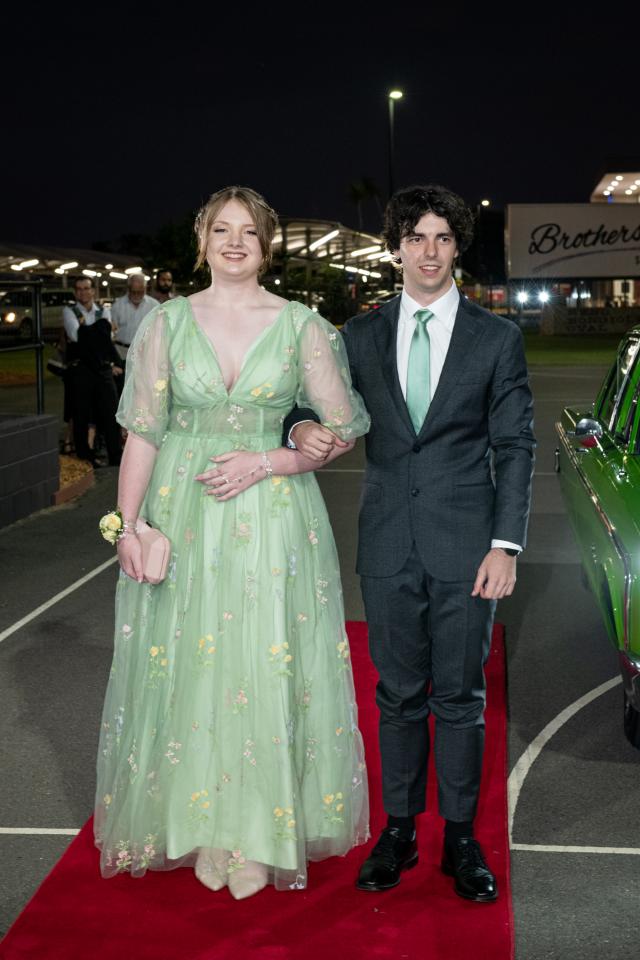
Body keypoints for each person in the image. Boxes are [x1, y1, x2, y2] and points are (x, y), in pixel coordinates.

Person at [94, 186, 370, 900]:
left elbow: (340, 428)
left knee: (259, 666)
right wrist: (131, 525)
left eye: (250, 231)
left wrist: (278, 453)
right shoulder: (165, 324)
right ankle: (201, 827)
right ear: (203, 241)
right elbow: (143, 433)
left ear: (267, 244)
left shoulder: (302, 325)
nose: (236, 241)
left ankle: (256, 832)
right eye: (223, 229)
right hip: (182, 514)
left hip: (272, 517)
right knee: (188, 670)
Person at [286, 184, 535, 902]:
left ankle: (460, 837)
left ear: (458, 247)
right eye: (416, 238)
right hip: (387, 541)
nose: (429, 252)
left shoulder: (498, 339)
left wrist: (505, 546)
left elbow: (514, 445)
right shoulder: (357, 335)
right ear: (395, 247)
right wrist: (300, 428)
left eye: (443, 239)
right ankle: (398, 830)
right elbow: (309, 403)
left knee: (459, 697)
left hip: (468, 547)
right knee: (397, 697)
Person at [62, 276, 123, 466]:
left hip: (103, 369)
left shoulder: (103, 310)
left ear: (93, 291)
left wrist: (91, 332)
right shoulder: (68, 311)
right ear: (75, 292)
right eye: (79, 289)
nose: (83, 292)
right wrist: (101, 329)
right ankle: (85, 455)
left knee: (111, 411)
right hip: (81, 370)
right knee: (81, 413)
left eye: (86, 288)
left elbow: (104, 339)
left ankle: (116, 454)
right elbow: (75, 335)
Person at [111, 275, 159, 360]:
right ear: (128, 289)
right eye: (133, 292)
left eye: (140, 292)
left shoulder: (154, 306)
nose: (136, 295)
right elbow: (112, 331)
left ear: (145, 288)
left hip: (146, 353)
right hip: (122, 352)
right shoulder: (117, 306)